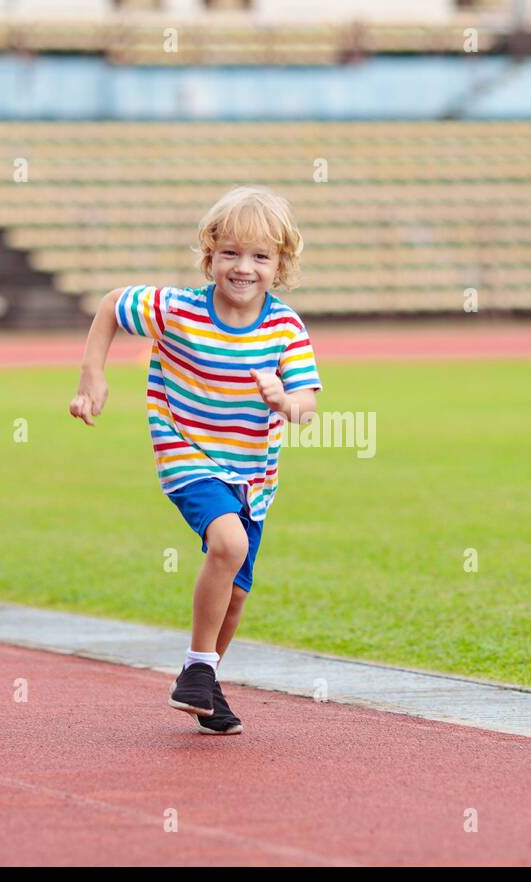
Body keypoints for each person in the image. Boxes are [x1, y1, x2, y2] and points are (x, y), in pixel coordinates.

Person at [69, 185, 322, 734]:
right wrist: (93, 373)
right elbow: (113, 303)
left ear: (280, 266)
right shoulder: (178, 310)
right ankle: (199, 670)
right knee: (226, 543)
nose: (243, 267)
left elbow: (307, 406)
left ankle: (202, 680)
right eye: (230, 253)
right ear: (209, 257)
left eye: (260, 256)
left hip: (254, 475)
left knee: (234, 599)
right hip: (187, 452)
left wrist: (285, 400)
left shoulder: (286, 329)